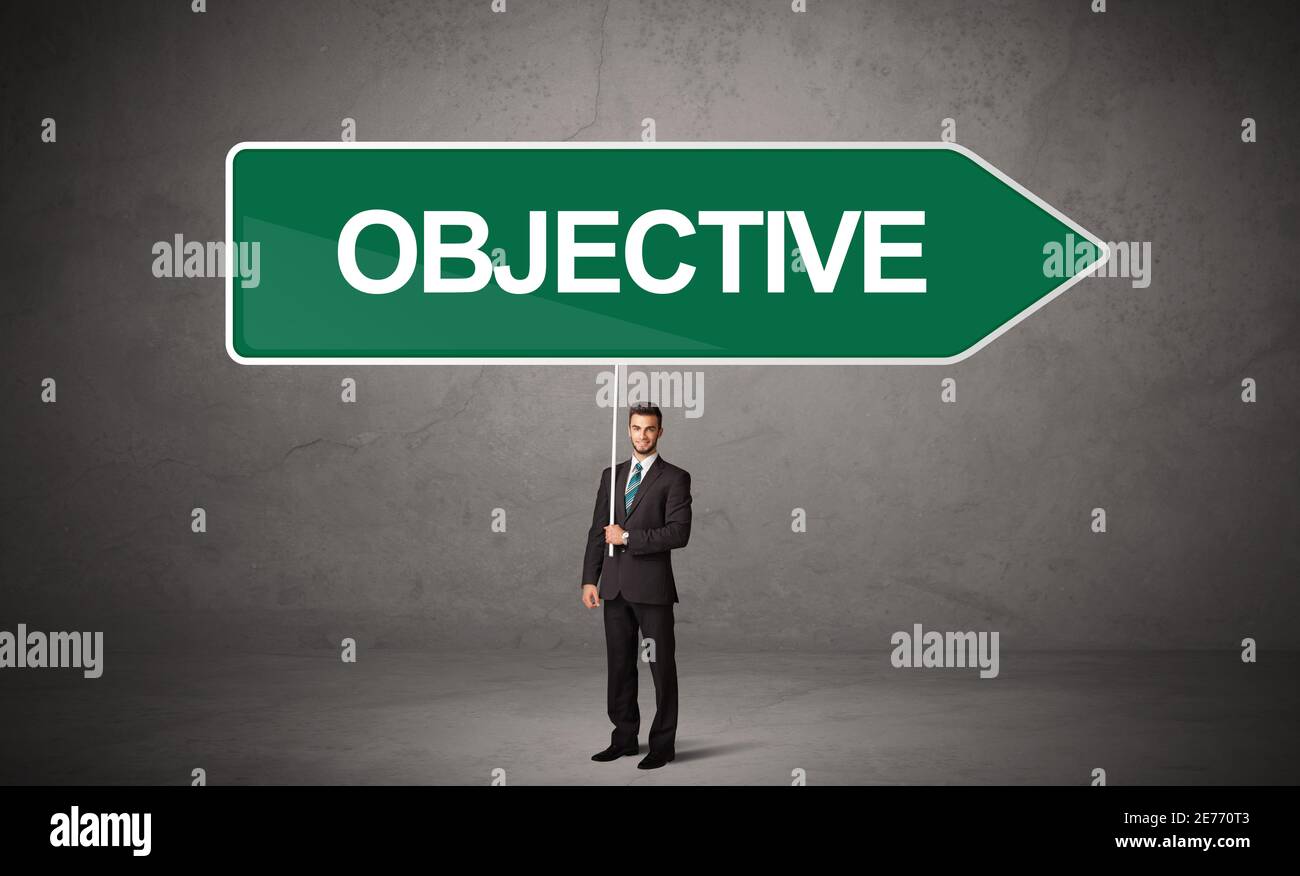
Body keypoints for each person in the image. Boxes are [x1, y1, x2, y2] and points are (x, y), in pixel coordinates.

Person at [580, 402, 692, 770]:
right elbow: (599, 531)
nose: (642, 435)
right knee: (620, 667)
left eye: (649, 429)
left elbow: (678, 533)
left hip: (652, 591)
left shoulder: (675, 478)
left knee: (660, 667)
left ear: (660, 432)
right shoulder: (611, 476)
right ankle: (624, 739)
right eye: (636, 428)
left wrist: (627, 536)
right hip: (613, 589)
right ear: (627, 430)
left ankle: (663, 745)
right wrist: (588, 579)